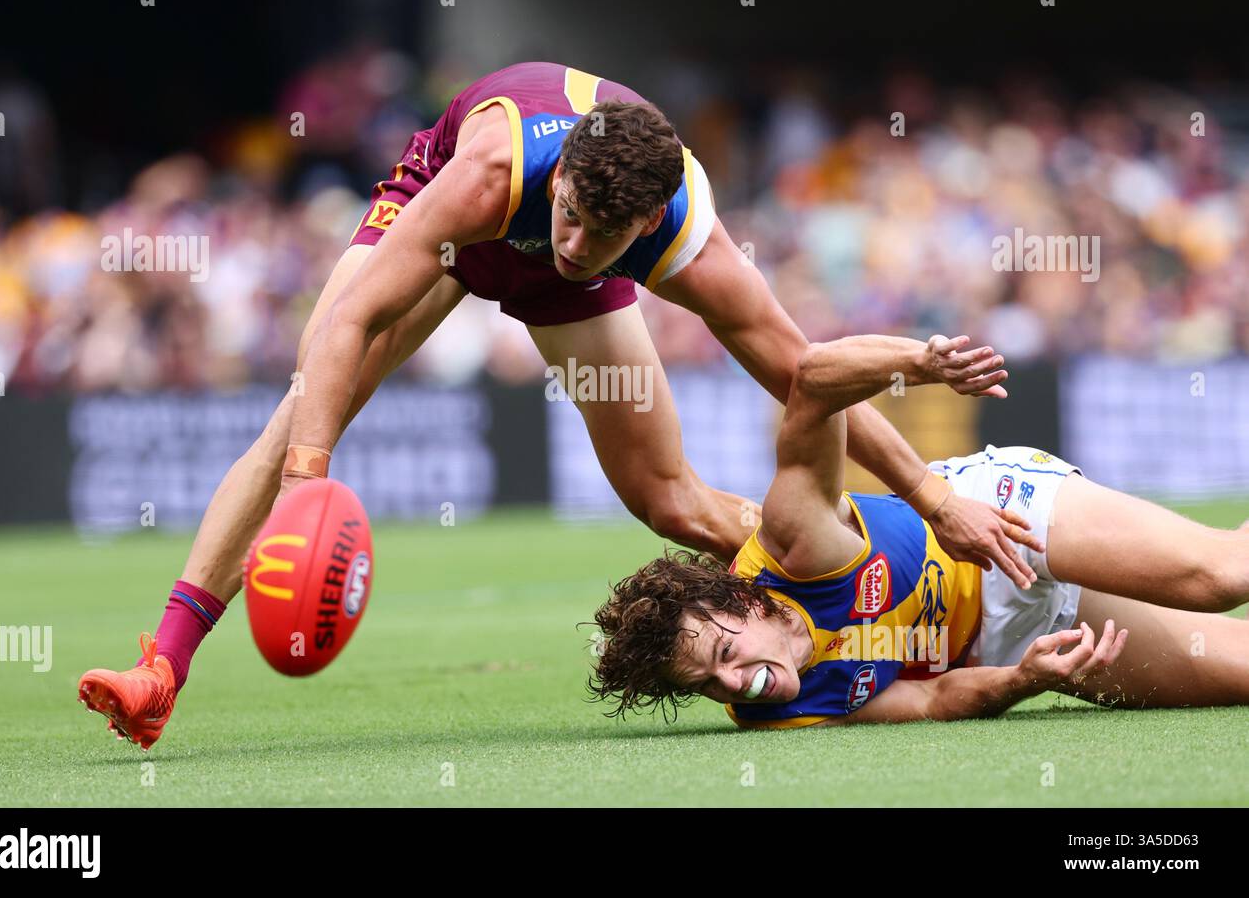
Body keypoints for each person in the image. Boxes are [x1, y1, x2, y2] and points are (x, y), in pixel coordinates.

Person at [78, 63, 1037, 751]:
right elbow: (357, 314)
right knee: (301, 412)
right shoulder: (494, 174)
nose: (577, 240)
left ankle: (829, 600)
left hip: (557, 272)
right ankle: (162, 667)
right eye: (572, 212)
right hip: (458, 230)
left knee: (668, 501)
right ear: (564, 175)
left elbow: (807, 373)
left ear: (647, 223)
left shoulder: (679, 235)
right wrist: (306, 481)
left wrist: (929, 493)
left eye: (604, 230)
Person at [589, 333, 1249, 727]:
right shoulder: (776, 711)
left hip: (992, 520)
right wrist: (1026, 678)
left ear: (747, 601)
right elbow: (930, 701)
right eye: (707, 685)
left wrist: (926, 362)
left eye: (726, 658)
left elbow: (814, 376)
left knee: (1222, 577)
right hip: (1010, 639)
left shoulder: (795, 545)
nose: (732, 687)